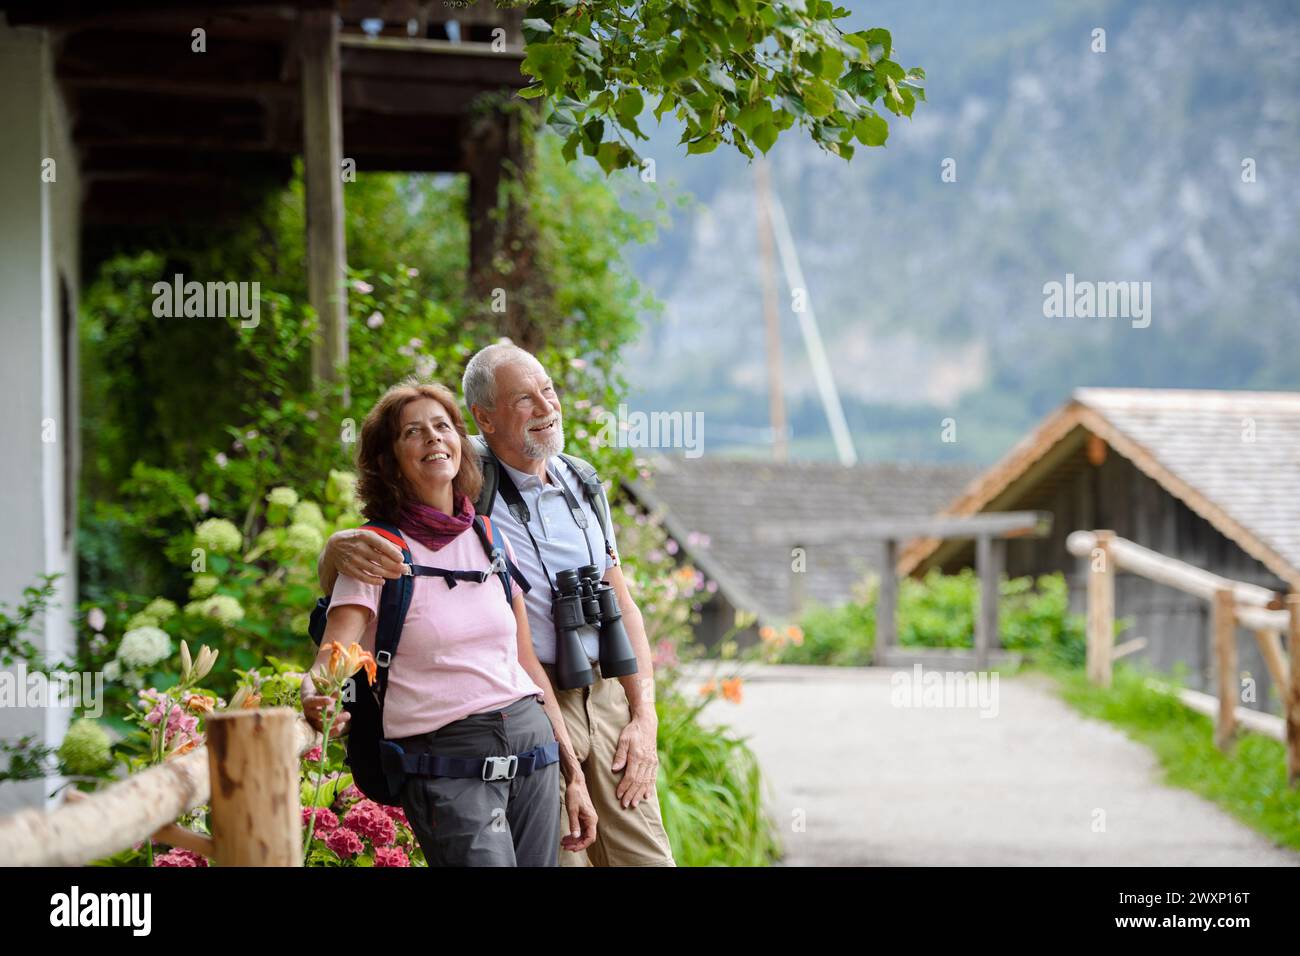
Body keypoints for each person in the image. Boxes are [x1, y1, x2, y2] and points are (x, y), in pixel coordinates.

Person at [319, 345, 675, 866]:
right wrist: (333, 549)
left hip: (604, 694)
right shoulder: (468, 485)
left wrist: (645, 717)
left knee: (646, 857)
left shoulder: (582, 481)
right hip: (534, 697)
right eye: (524, 400)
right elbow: (378, 549)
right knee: (565, 855)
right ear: (483, 419)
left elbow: (624, 603)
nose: (546, 407)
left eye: (548, 391)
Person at [301, 379, 597, 866]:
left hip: (533, 751)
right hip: (446, 763)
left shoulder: (487, 537)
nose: (434, 438)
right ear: (387, 460)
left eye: (443, 426)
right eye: (413, 432)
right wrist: (315, 692)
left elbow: (527, 666)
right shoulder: (374, 552)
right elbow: (332, 658)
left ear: (461, 443)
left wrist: (573, 773)